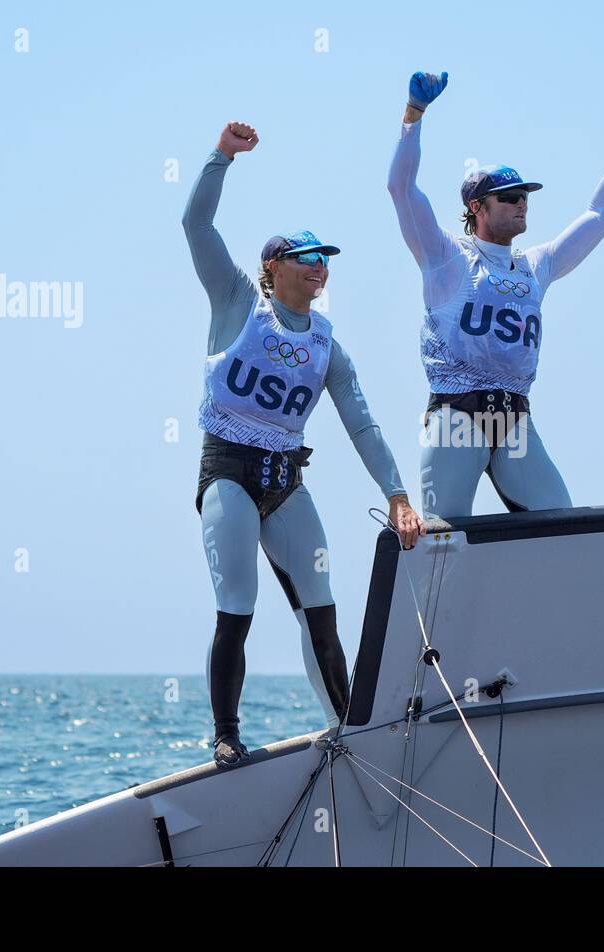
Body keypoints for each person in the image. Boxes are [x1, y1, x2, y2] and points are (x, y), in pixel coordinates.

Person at [184, 121, 425, 765]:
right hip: (229, 472)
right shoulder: (236, 300)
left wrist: (398, 496)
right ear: (275, 268)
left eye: (325, 261)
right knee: (238, 602)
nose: (320, 268)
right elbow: (196, 226)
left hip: (286, 480)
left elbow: (362, 423)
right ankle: (227, 737)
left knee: (321, 605)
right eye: (307, 258)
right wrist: (222, 158)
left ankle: (351, 729)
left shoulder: (326, 345)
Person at [387, 70, 604, 519]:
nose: (521, 202)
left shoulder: (536, 265)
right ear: (477, 208)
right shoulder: (446, 257)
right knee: (444, 544)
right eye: (508, 197)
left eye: (524, 195)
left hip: (515, 420)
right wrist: (414, 114)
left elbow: (600, 215)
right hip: (456, 417)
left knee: (564, 528)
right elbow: (402, 189)